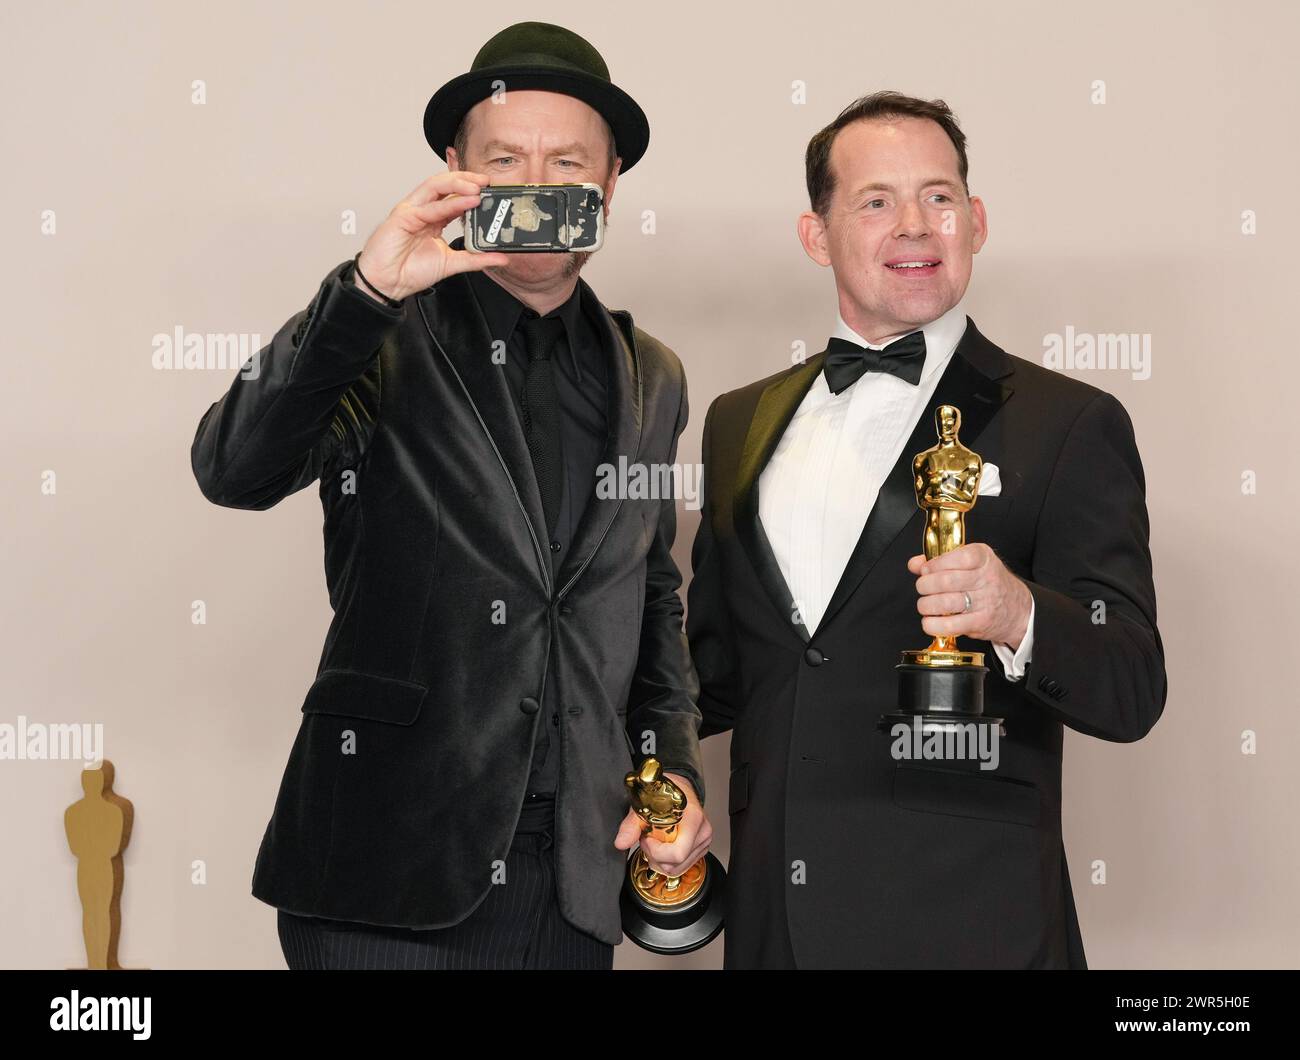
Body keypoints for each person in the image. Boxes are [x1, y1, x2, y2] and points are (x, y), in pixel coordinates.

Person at [191, 21, 711, 970]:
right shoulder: (376, 332)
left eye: (567, 161)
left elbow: (652, 594)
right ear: (453, 171)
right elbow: (234, 471)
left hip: (573, 879)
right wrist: (364, 290)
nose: (536, 181)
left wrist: (670, 766)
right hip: (384, 871)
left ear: (608, 184)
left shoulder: (653, 375)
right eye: (505, 158)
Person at [686, 91, 1166, 968]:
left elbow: (1133, 683)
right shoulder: (734, 421)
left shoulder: (1069, 422)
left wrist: (1020, 613)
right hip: (773, 929)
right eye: (875, 201)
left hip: (972, 928)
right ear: (815, 233)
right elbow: (710, 675)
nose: (914, 224)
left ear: (975, 222)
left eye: (939, 198)